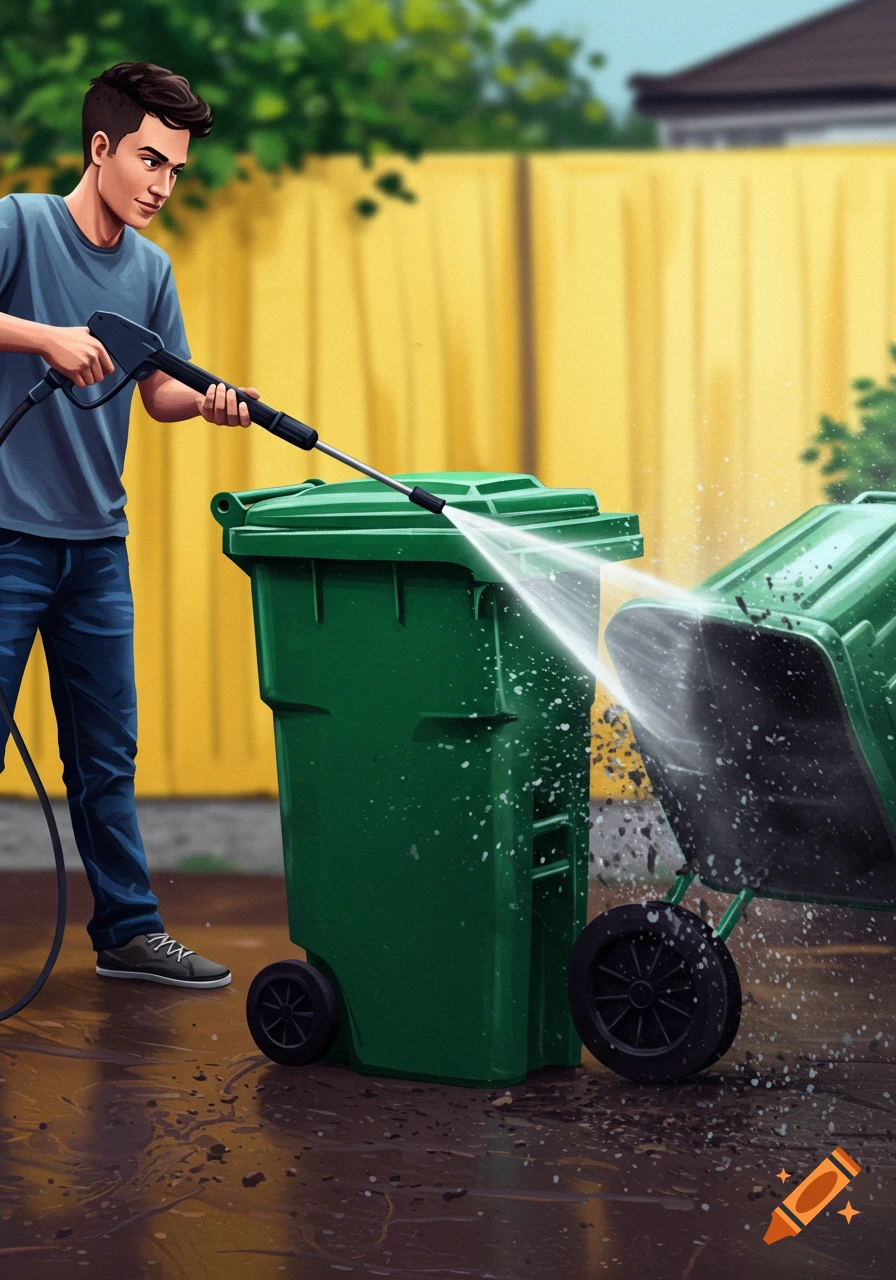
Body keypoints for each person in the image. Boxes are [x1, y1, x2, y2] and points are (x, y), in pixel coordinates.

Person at [0, 62, 260, 989]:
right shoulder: (18, 225)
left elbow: (155, 390)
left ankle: (129, 933)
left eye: (177, 169)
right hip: (9, 542)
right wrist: (43, 336)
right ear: (101, 148)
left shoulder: (152, 270)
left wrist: (211, 403)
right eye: (150, 160)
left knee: (107, 758)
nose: (162, 184)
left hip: (95, 551)